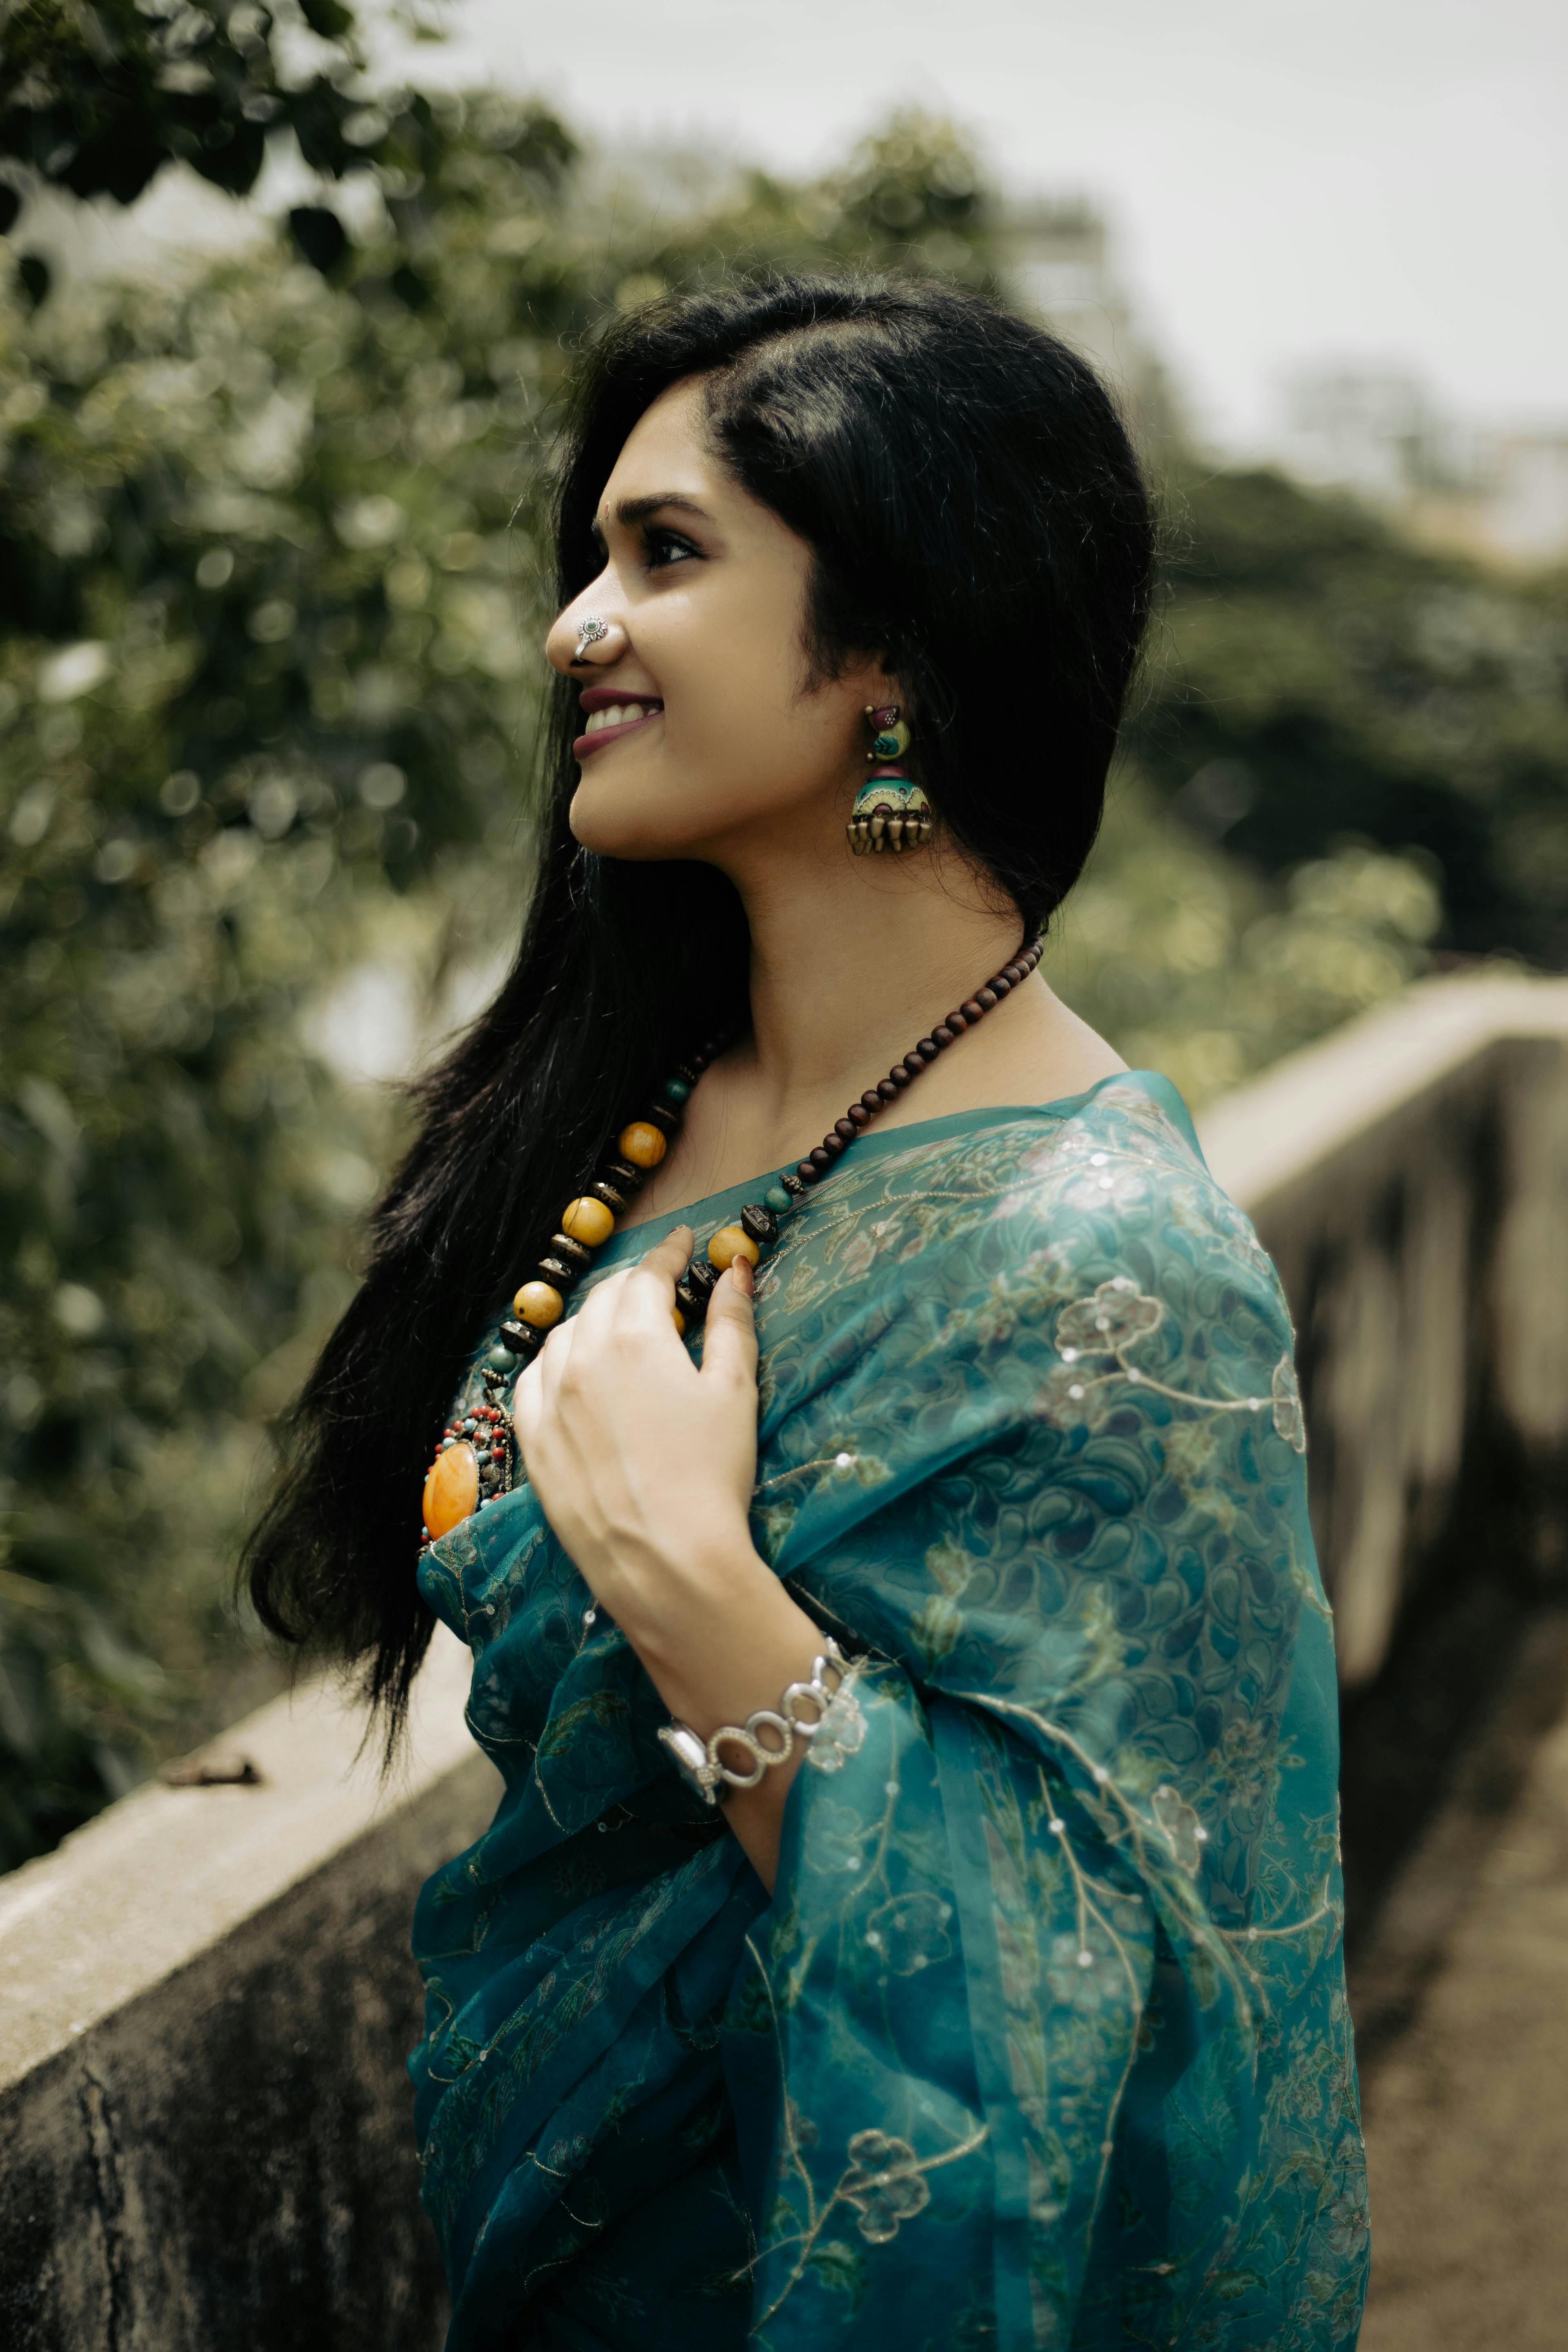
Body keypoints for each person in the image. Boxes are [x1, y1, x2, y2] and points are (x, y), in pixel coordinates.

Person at [247, 274, 1369, 2350]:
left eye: (664, 555)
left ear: (892, 658)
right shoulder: (643, 1110)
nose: (576, 626)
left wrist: (694, 1582)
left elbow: (1092, 1977)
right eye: (593, 555)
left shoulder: (1104, 1258)